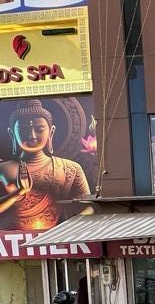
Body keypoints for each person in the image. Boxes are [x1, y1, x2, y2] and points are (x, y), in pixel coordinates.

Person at [0, 99, 92, 232]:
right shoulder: (3, 169)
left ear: (51, 132)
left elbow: (88, 208)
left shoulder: (70, 169)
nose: (32, 135)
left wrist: (67, 229)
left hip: (52, 239)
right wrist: (18, 193)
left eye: (39, 129)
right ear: (12, 133)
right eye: (24, 129)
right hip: (8, 242)